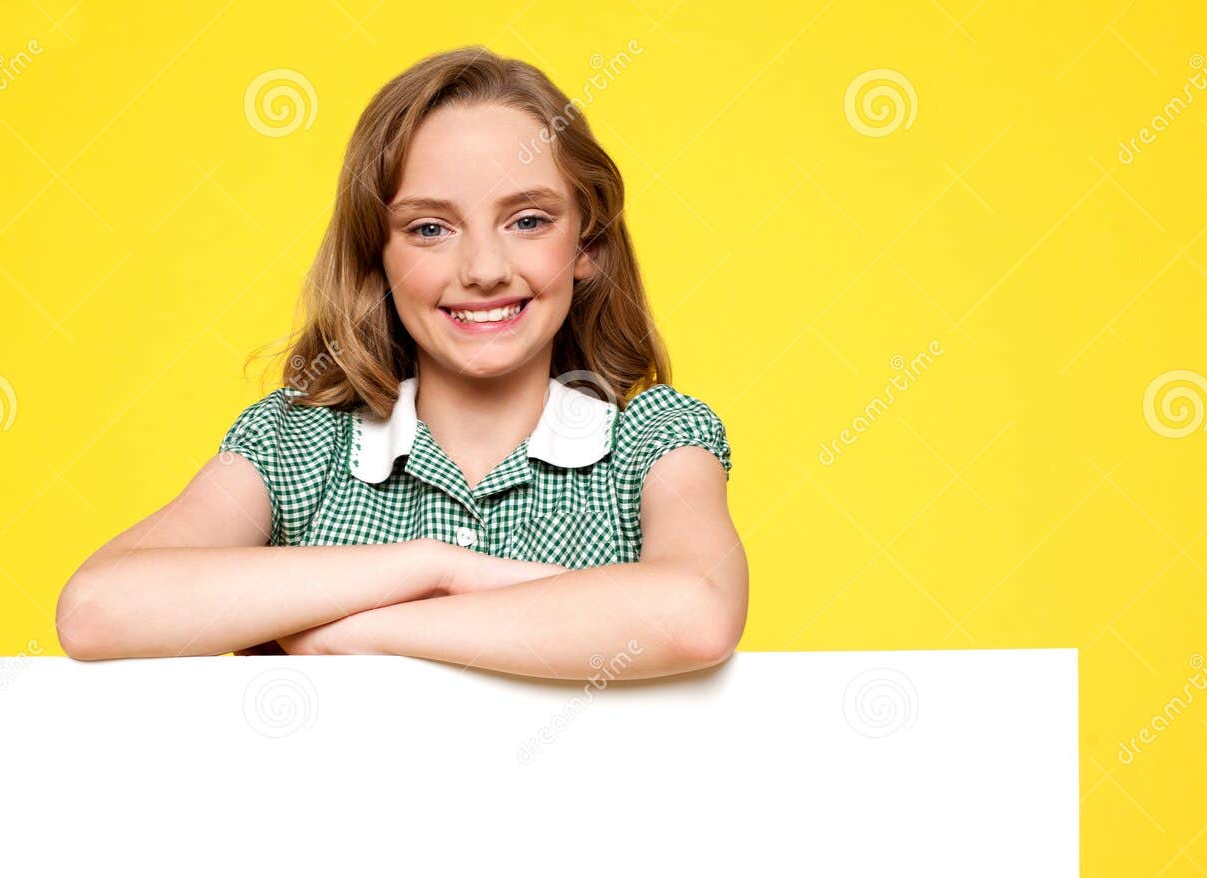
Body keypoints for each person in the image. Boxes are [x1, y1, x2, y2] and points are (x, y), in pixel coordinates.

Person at [56, 46, 747, 680]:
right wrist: (436, 568)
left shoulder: (651, 439)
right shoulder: (298, 446)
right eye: (429, 229)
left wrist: (362, 631)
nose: (482, 270)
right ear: (375, 257)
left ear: (587, 245)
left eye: (528, 220)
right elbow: (100, 609)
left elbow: (695, 614)